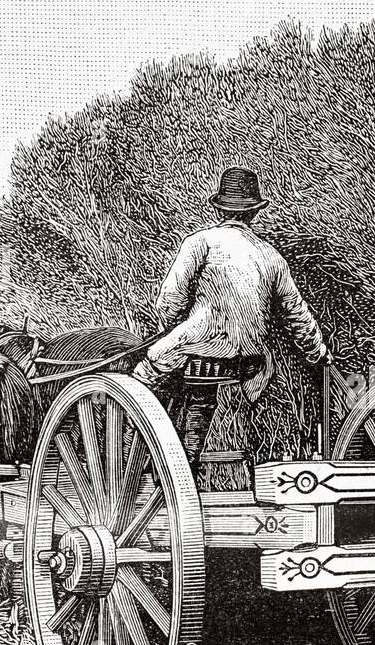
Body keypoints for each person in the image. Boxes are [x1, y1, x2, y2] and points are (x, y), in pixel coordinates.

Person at [132, 167, 331, 466]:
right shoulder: (271, 255)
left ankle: (129, 460)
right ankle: (189, 458)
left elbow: (169, 301)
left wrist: (174, 329)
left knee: (142, 379)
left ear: (220, 209)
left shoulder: (199, 242)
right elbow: (297, 314)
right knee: (200, 389)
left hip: (202, 347)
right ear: (253, 212)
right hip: (250, 360)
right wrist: (318, 353)